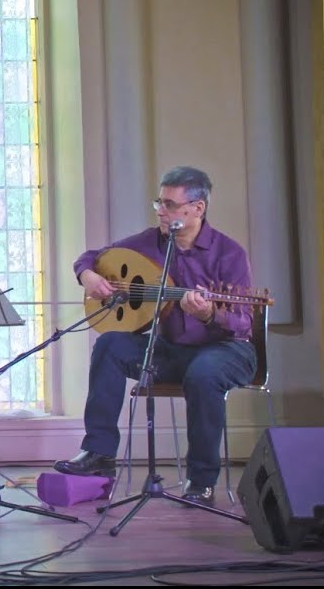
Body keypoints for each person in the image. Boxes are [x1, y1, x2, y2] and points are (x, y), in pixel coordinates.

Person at [53, 166, 257, 507]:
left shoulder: (228, 253)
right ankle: (99, 453)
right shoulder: (151, 243)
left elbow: (243, 322)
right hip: (173, 351)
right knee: (110, 344)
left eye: (171, 205)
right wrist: (87, 275)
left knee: (204, 374)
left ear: (198, 208)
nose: (162, 211)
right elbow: (91, 258)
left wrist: (209, 314)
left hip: (227, 350)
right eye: (159, 203)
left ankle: (201, 480)